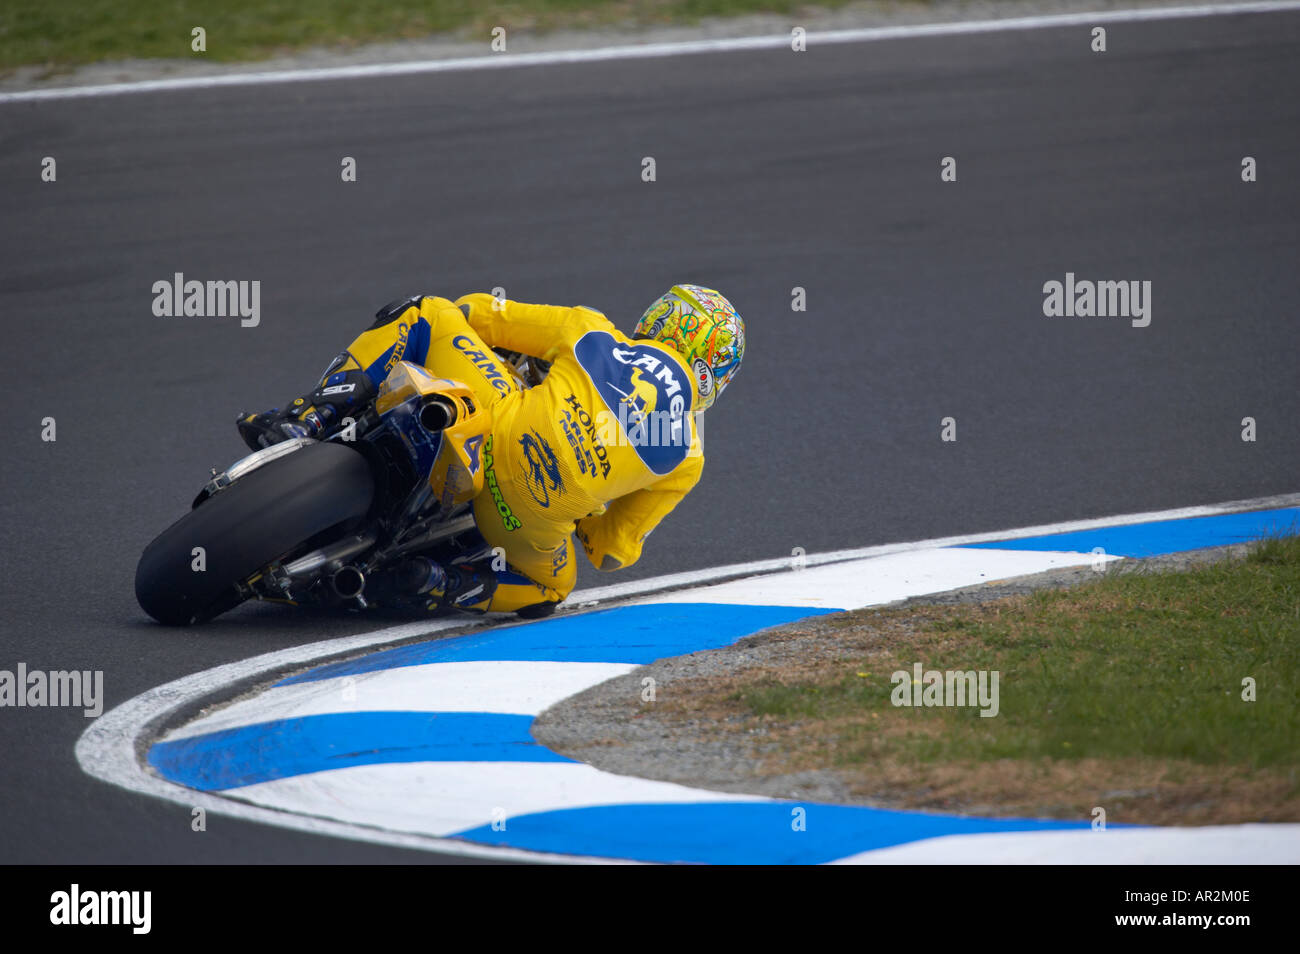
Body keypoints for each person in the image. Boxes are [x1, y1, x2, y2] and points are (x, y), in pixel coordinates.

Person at [237, 285, 745, 617]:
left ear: (658, 319)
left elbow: (478, 314)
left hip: (492, 432)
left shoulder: (592, 331)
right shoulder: (688, 458)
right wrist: (586, 501)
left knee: (426, 312)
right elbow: (610, 551)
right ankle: (440, 583)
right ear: (715, 376)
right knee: (553, 589)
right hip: (522, 520)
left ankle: (307, 417)